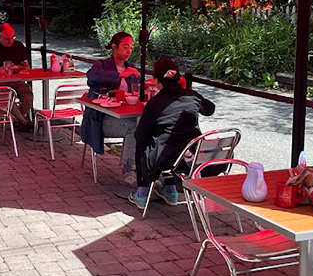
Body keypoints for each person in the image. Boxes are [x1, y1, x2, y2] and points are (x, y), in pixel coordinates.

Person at [130, 57, 215, 210]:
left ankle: (142, 194)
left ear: (157, 81)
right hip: (190, 157)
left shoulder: (155, 103)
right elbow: (210, 109)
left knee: (143, 144)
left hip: (164, 159)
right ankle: (170, 191)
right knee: (170, 144)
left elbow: (140, 135)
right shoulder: (192, 96)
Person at [82, 32, 141, 171]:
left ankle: (145, 167)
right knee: (135, 128)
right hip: (102, 118)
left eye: (131, 47)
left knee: (145, 125)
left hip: (125, 114)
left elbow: (137, 89)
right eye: (125, 47)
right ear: (114, 46)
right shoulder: (102, 65)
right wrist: (120, 74)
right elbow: (91, 76)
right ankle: (129, 170)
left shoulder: (131, 67)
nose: (129, 51)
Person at [0, 23, 34, 129]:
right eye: (7, 39)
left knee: (28, 97)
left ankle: (16, 120)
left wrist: (18, 67)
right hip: (1, 84)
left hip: (18, 82)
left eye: (12, 38)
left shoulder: (18, 45)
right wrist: (0, 70)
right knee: (8, 97)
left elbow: (26, 66)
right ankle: (23, 122)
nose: (10, 41)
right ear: (0, 37)